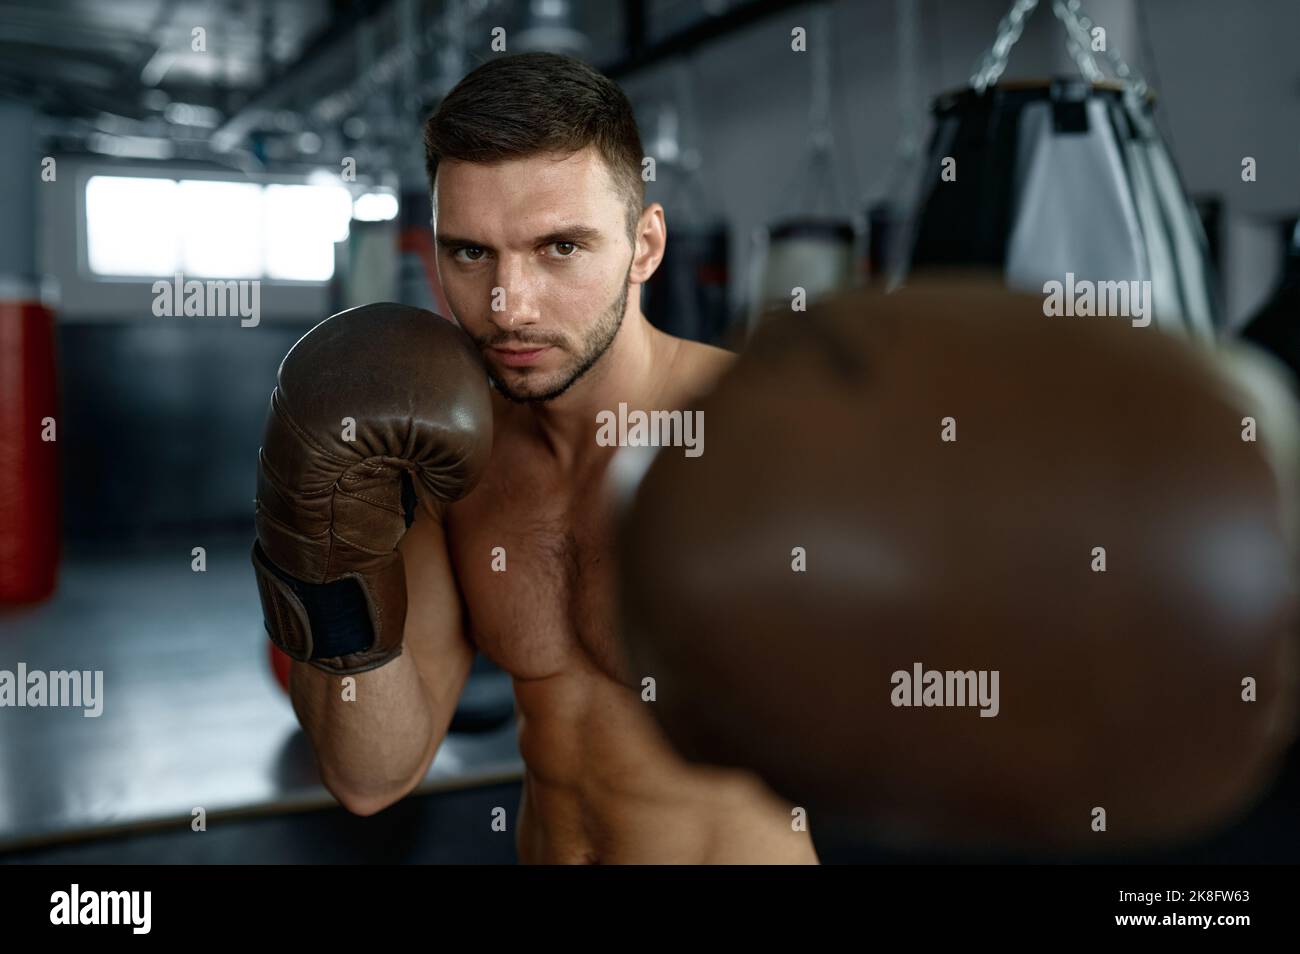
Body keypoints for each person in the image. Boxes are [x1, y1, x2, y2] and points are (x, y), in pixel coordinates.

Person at [252, 52, 818, 864]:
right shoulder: (446, 460)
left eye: (559, 248)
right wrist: (320, 552)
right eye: (471, 253)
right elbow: (370, 775)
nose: (508, 306)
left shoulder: (758, 430)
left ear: (645, 245)